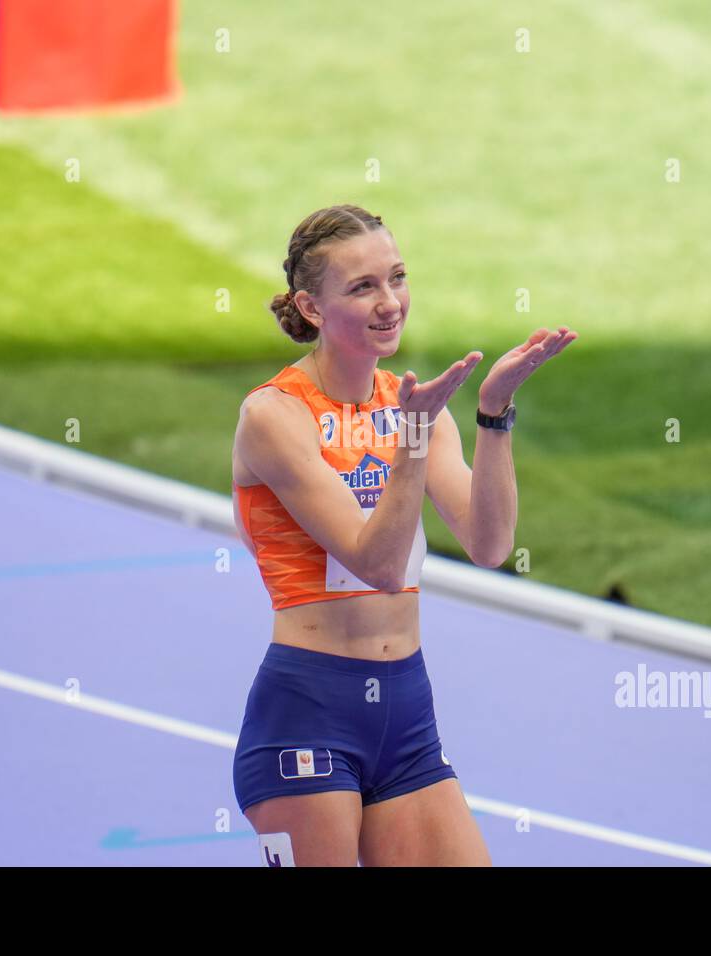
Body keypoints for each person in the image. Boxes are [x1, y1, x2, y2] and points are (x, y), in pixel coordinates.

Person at [230, 204, 577, 866]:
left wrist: (493, 413)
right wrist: (412, 439)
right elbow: (378, 565)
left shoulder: (416, 407)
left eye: (397, 277)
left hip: (407, 713)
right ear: (310, 306)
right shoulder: (274, 417)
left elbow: (490, 543)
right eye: (363, 287)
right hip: (308, 715)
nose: (390, 302)